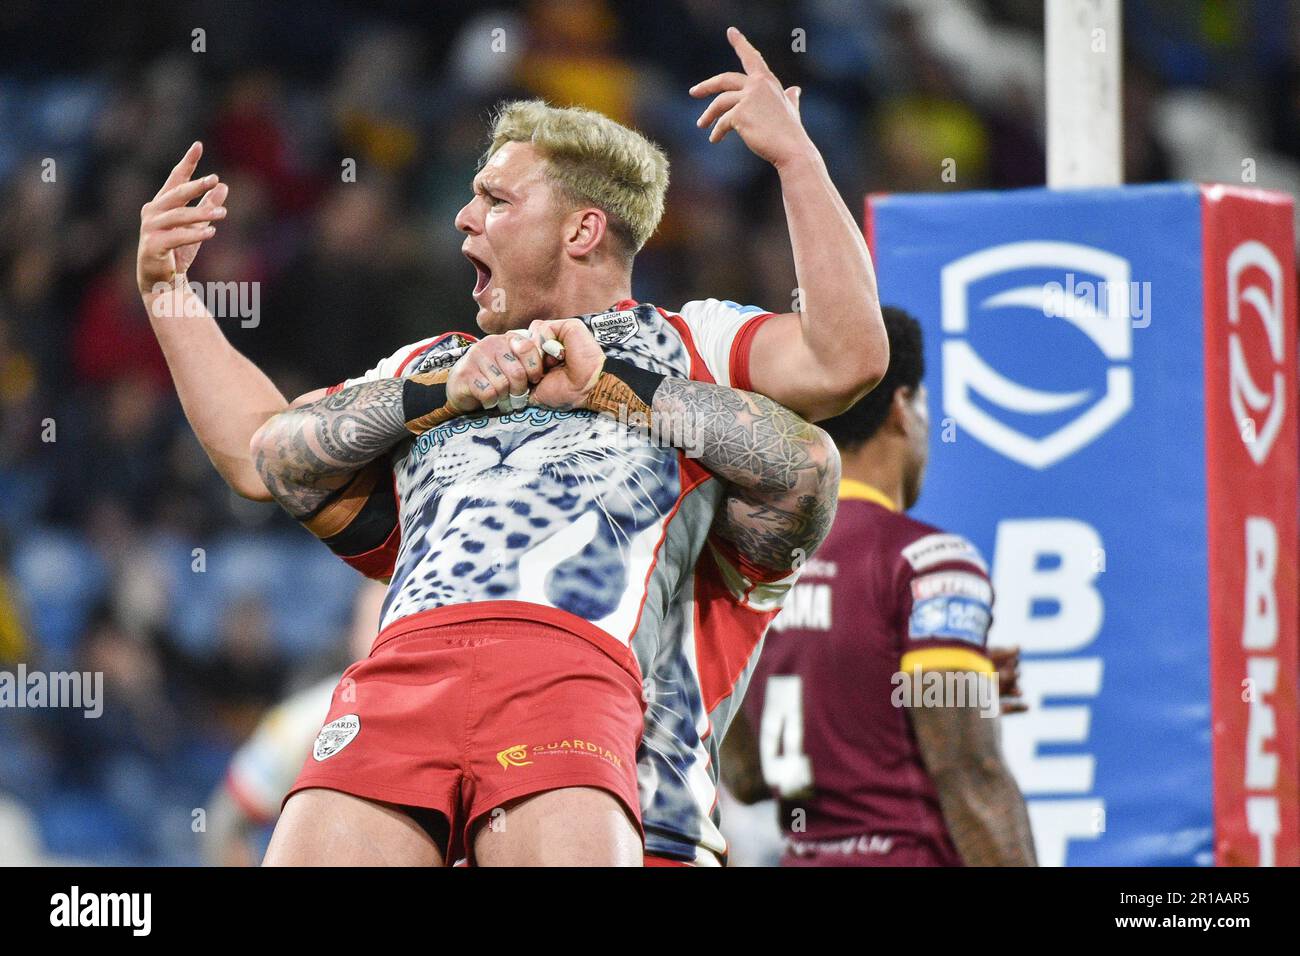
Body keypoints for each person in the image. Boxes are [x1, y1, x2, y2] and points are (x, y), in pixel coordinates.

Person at [135, 27, 884, 865]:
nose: (463, 217)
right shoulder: (431, 364)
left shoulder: (690, 341)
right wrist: (168, 294)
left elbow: (846, 359)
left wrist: (795, 160)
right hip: (408, 683)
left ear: (581, 230)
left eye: (495, 199)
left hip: (634, 777)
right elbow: (259, 453)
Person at [721, 307, 1037, 867]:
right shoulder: (929, 565)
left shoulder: (753, 564)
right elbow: (972, 776)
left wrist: (890, 682)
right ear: (903, 407)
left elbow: (746, 777)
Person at [201, 581, 386, 867]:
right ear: (353, 635)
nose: (388, 635)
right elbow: (226, 822)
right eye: (376, 622)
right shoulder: (310, 717)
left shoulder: (453, 705)